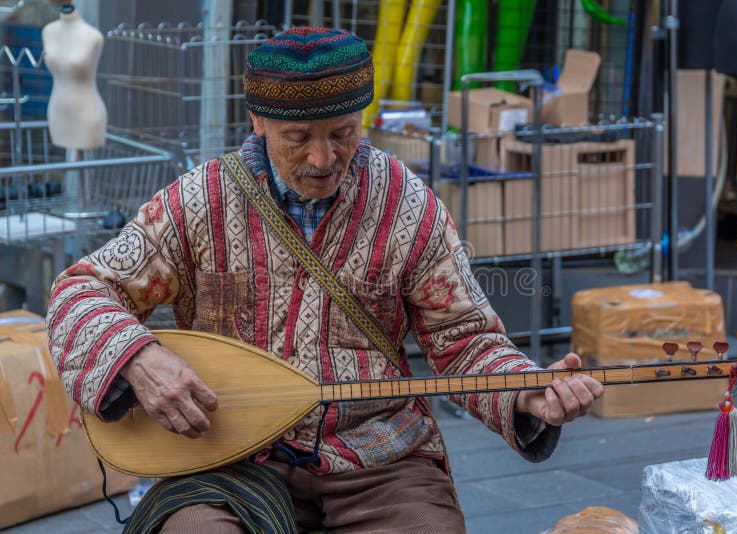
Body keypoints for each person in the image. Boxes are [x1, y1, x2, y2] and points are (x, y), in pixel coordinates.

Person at [46, 27, 603, 533]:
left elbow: (465, 340)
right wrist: (139, 358)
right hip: (227, 457)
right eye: (298, 137)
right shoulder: (201, 200)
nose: (323, 156)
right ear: (257, 122)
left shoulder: (407, 201)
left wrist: (526, 390)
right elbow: (81, 290)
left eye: (342, 133)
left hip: (378, 458)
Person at [42, 3, 107, 149]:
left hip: (87, 113)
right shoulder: (48, 31)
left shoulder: (93, 36)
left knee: (83, 166)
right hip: (57, 112)